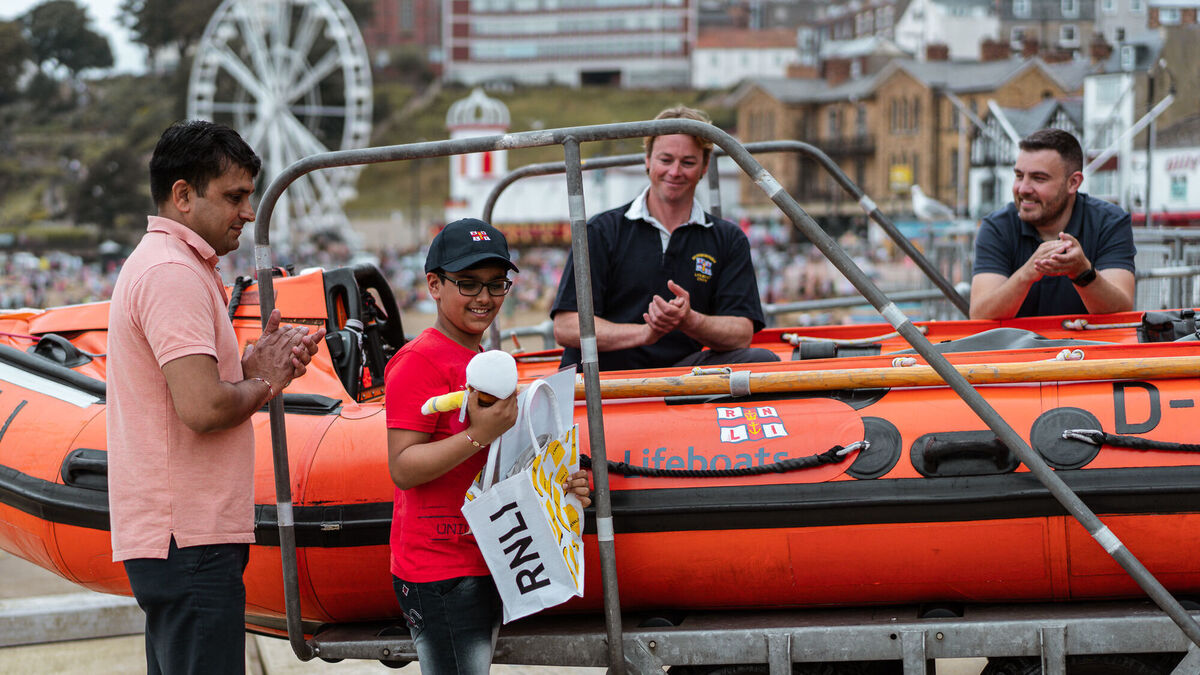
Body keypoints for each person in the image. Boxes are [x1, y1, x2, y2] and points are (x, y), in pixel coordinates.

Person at [107, 120, 325, 674]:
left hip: (179, 537)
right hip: (189, 537)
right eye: (234, 197)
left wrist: (251, 367)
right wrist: (266, 381)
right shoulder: (171, 273)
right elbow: (202, 408)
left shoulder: (168, 264)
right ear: (183, 195)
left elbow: (188, 389)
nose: (249, 212)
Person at [384, 217, 591, 675]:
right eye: (468, 283)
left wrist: (558, 482)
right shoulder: (417, 361)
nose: (484, 297)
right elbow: (402, 467)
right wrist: (478, 433)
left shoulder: (480, 361)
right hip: (440, 568)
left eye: (496, 284)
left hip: (487, 556)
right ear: (434, 285)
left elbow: (495, 464)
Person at [550, 105, 780, 371]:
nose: (675, 172)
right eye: (666, 160)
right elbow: (566, 326)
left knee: (763, 361)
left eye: (688, 162)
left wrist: (690, 320)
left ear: (705, 166)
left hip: (680, 377)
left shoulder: (729, 239)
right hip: (604, 379)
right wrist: (644, 333)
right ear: (647, 160)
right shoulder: (601, 230)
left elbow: (741, 333)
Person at [970, 128, 1136, 320]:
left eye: (1038, 178)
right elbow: (980, 316)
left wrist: (1082, 272)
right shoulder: (997, 227)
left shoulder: (1110, 222)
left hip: (1088, 339)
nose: (1023, 189)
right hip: (1017, 341)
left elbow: (1122, 311)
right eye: (1019, 176)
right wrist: (1027, 273)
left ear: (1073, 183)